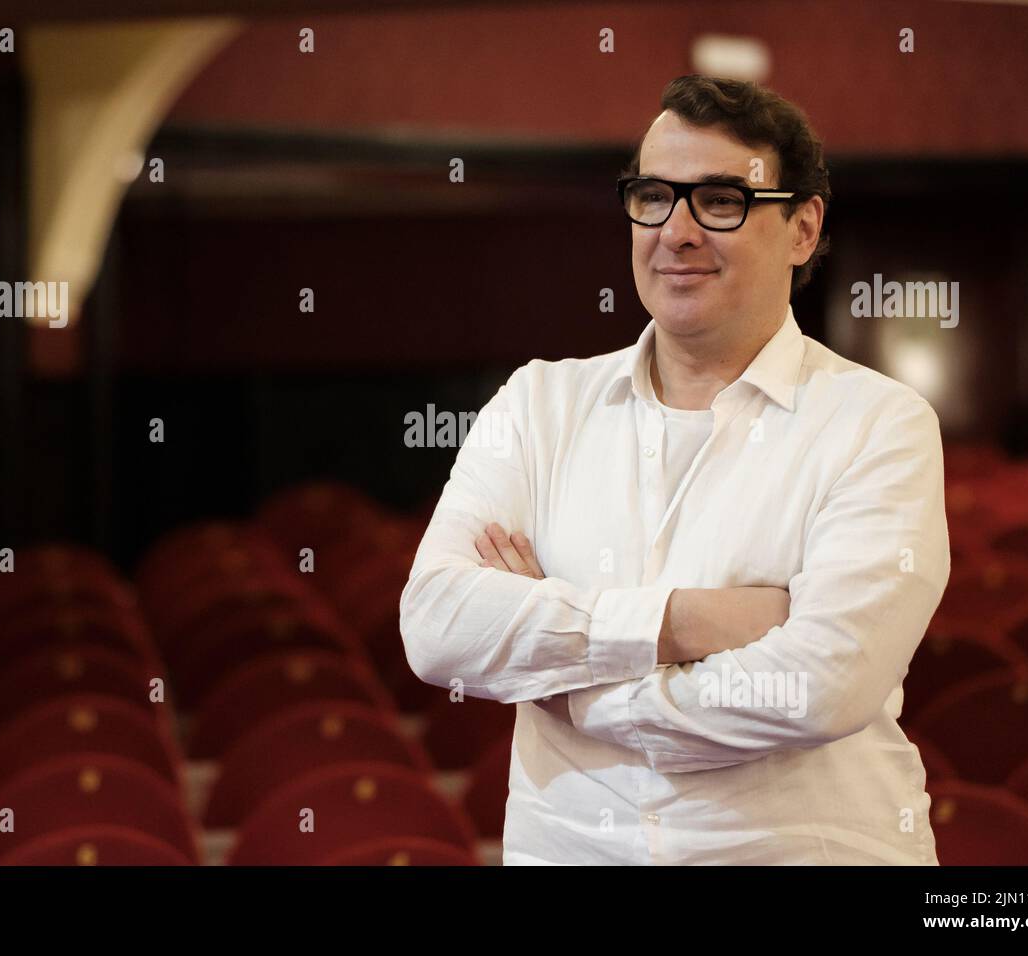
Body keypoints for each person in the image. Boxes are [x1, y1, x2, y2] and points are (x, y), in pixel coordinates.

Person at [399, 74, 950, 864]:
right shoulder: (537, 404)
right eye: (654, 197)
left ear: (802, 228)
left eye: (721, 201)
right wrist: (682, 623)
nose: (677, 232)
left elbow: (820, 686)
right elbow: (437, 627)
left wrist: (569, 684)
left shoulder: (879, 424)